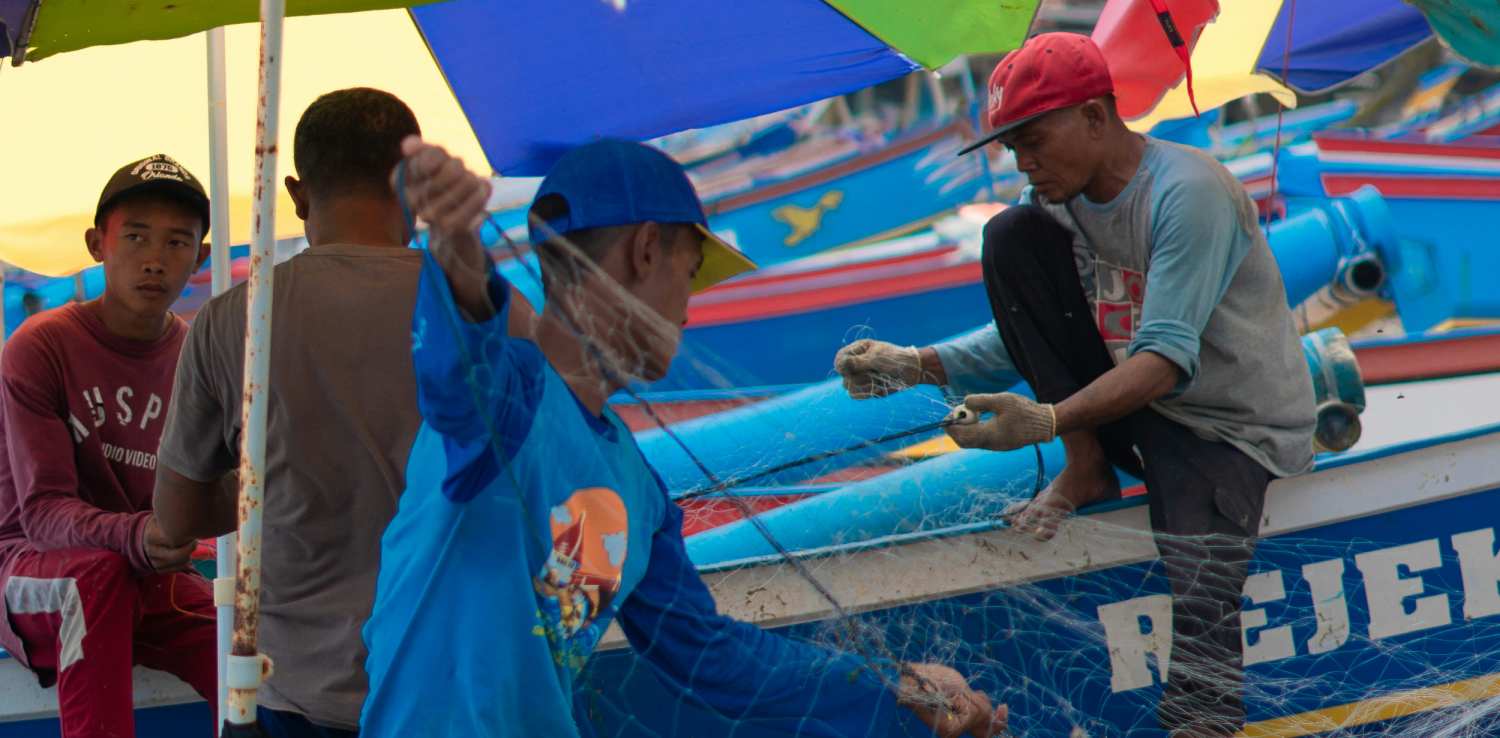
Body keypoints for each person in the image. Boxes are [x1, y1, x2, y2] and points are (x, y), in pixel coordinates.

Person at [359, 136, 1008, 738]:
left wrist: (897, 695)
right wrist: (456, 249)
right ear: (646, 249)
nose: (690, 306)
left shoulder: (635, 486)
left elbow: (712, 657)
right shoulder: (512, 396)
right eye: (691, 269)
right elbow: (459, 369)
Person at [833, 33, 1317, 738]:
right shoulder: (1056, 206)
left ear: (1095, 116)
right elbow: (1039, 335)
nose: (1024, 163)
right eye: (1011, 150)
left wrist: (1045, 420)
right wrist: (914, 365)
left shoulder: (1187, 193)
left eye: (1034, 141)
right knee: (1007, 235)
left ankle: (1203, 721)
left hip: (1228, 428)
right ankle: (1088, 470)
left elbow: (1162, 363)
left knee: (1196, 548)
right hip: (1140, 412)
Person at [154, 88, 428, 738]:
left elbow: (176, 517)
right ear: (412, 183)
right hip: (444, 681)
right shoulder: (484, 314)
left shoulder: (231, 321)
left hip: (289, 695)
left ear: (298, 194)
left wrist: (265, 475)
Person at [0, 154, 218, 736]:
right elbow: (41, 515)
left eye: (176, 243)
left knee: (248, 648)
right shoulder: (39, 346)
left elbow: (219, 490)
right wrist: (142, 535)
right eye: (137, 237)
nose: (154, 259)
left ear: (199, 259)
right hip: (29, 570)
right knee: (94, 579)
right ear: (99, 244)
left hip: (143, 573)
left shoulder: (199, 355)